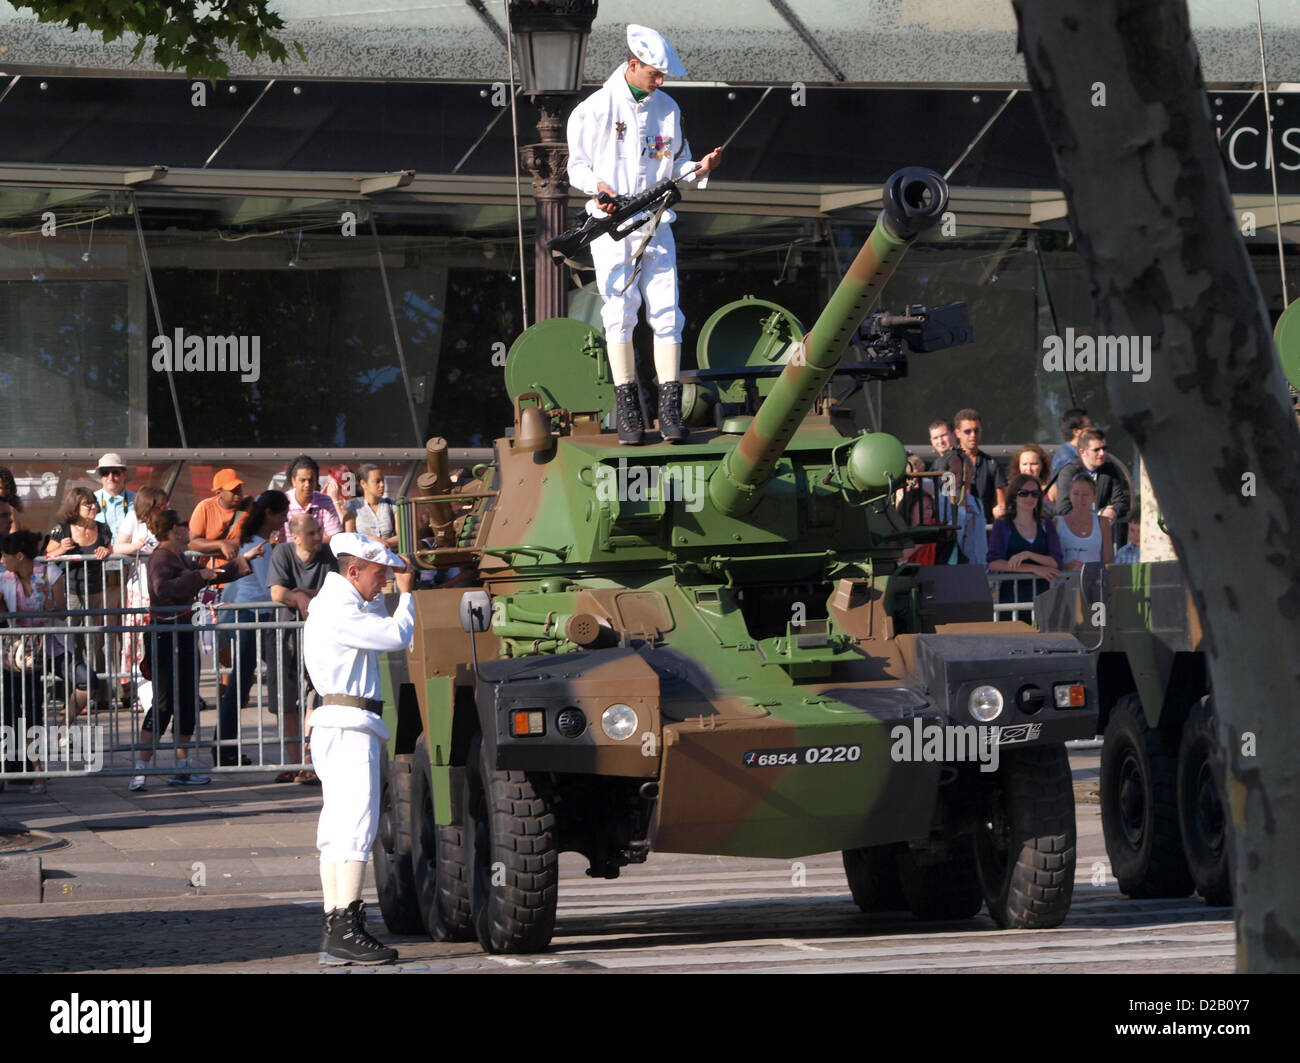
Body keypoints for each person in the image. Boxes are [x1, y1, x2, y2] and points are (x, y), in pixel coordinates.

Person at [566, 24, 722, 445]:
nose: (661, 81)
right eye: (655, 73)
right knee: (619, 314)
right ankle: (630, 408)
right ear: (632, 65)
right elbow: (576, 165)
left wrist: (700, 169)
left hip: (656, 224)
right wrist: (598, 189)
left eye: (663, 75)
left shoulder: (668, 109)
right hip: (612, 226)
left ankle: (669, 409)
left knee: (668, 313)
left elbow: (678, 166)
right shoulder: (594, 108)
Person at [303, 531, 415, 966]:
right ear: (353, 570)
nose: (385, 579)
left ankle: (337, 924)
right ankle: (346, 927)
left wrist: (384, 558)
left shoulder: (335, 604)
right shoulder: (338, 610)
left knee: (337, 830)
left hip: (341, 722)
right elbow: (394, 635)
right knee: (355, 827)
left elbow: (371, 614)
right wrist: (407, 596)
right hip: (349, 726)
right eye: (377, 572)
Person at [128, 509, 256, 791]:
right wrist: (199, 575)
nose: (189, 530)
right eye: (185, 524)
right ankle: (141, 769)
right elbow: (164, 589)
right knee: (163, 702)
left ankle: (182, 767)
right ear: (173, 529)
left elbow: (205, 577)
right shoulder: (161, 557)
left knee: (187, 699)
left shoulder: (178, 556)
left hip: (183, 634)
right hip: (165, 636)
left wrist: (242, 562)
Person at [215, 490, 290, 767]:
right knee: (242, 682)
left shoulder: (255, 541)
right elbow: (270, 587)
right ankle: (223, 747)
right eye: (282, 514)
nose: (284, 520)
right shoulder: (260, 545)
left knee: (242, 681)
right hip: (248, 614)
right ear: (269, 513)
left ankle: (225, 747)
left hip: (244, 612)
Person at [268, 513, 338, 783]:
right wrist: (296, 595)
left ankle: (310, 763)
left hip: (319, 638)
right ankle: (295, 761)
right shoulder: (283, 553)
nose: (318, 536)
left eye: (318, 531)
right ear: (295, 536)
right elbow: (277, 593)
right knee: (286, 702)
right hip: (284, 637)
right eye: (311, 533)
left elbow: (334, 592)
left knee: (314, 699)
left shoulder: (329, 555)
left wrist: (299, 593)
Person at [0, 529, 65, 789]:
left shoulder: (45, 574)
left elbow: (60, 611)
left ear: (18, 555)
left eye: (5, 555)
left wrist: (48, 602)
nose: (2, 560)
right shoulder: (3, 577)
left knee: (34, 710)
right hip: (10, 654)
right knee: (9, 710)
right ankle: (11, 768)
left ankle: (37, 770)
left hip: (39, 653)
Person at [45, 486, 113, 722]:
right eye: (87, 503)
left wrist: (108, 550)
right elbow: (46, 556)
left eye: (94, 502)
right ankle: (72, 697)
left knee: (95, 642)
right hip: (69, 591)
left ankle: (96, 695)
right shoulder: (61, 529)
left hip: (95, 591)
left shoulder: (103, 529)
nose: (93, 506)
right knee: (72, 643)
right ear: (75, 506)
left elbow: (109, 547)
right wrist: (61, 549)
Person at [113, 486, 169, 706]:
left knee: (161, 640)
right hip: (141, 588)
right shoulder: (133, 519)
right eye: (160, 505)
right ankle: (140, 691)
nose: (164, 508)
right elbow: (118, 546)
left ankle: (161, 691)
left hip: (162, 587)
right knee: (138, 643)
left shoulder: (167, 520)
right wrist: (135, 546)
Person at [988, 473, 1063, 622]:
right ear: (1014, 496)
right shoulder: (1002, 525)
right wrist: (1033, 568)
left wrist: (1029, 554)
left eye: (1035, 494)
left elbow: (1056, 562)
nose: (1030, 498)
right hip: (1011, 600)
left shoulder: (1046, 525)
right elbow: (994, 563)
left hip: (1043, 598)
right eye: (1023, 493)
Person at [1048, 427, 1130, 526]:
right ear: (1082, 452)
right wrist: (1096, 516)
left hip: (1101, 530)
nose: (1102, 453)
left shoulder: (1109, 469)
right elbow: (1063, 509)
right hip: (1075, 531)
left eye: (1104, 448)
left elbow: (1121, 502)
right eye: (1096, 450)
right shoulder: (1069, 472)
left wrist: (1113, 511)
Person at [952, 407, 1008, 519]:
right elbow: (940, 499)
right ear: (957, 433)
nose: (973, 435)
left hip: (983, 527)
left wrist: (999, 512)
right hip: (954, 527)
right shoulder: (945, 463)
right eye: (967, 431)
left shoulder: (991, 464)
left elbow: (1002, 504)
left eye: (976, 430)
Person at [1054, 474, 1114, 570]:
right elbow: (1051, 561)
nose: (1080, 499)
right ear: (1070, 495)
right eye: (1076, 494)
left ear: (1094, 497)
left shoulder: (1102, 522)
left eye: (1085, 495)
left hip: (1093, 582)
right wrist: (1067, 567)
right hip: (1064, 583)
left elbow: (1108, 561)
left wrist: (1087, 568)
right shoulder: (1057, 523)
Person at [286, 456, 344, 543]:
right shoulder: (284, 501)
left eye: (311, 480)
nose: (307, 484)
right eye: (303, 480)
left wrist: (307, 544)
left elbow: (336, 536)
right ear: (293, 481)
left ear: (316, 480)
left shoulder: (325, 501)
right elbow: (273, 538)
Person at [344, 464, 398, 550]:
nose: (382, 485)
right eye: (377, 481)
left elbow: (401, 536)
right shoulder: (352, 506)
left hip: (389, 553)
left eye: (383, 481)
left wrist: (385, 543)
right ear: (363, 483)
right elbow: (350, 537)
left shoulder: (392, 505)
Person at [90, 453, 135, 540]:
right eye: (105, 473)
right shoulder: (90, 500)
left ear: (125, 474)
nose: (110, 477)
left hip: (130, 551)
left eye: (115, 473)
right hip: (98, 552)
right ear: (100, 475)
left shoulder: (138, 501)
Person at [1010, 442, 1055, 517]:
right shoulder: (1011, 488)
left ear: (1042, 465)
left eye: (1033, 464)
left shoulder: (1051, 488)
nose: (1028, 469)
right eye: (1024, 464)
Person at [1049, 407, 1092, 480]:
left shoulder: (1076, 452)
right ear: (1076, 432)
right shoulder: (1068, 459)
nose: (1092, 429)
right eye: (1088, 426)